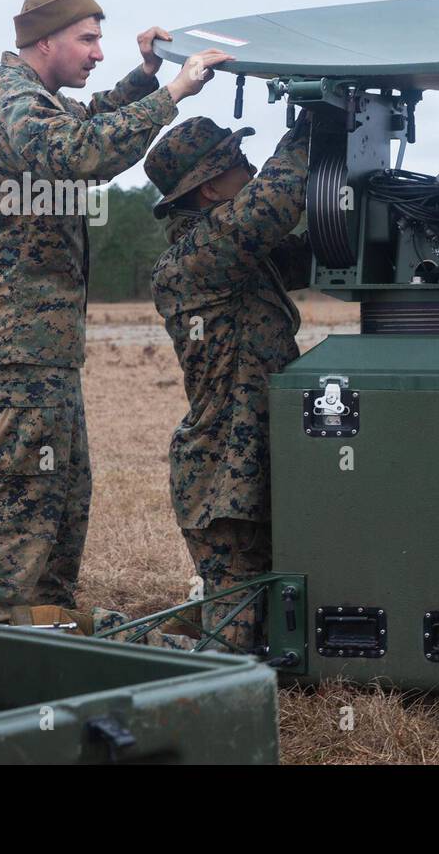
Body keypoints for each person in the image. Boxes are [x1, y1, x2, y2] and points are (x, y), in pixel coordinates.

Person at [0, 0, 231, 622]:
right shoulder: (11, 103)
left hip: (42, 341)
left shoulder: (41, 101)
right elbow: (80, 152)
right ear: (43, 41)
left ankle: (46, 616)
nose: (98, 53)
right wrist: (171, 96)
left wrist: (147, 76)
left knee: (63, 482)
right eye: (87, 39)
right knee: (23, 485)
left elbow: (92, 118)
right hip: (18, 335)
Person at [144, 113, 312, 651]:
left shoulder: (238, 257)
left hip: (252, 462)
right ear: (212, 186)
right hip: (225, 477)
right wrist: (314, 130)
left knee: (271, 627)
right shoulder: (195, 258)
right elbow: (277, 199)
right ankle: (118, 648)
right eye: (240, 165)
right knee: (232, 650)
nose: (251, 170)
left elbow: (318, 251)